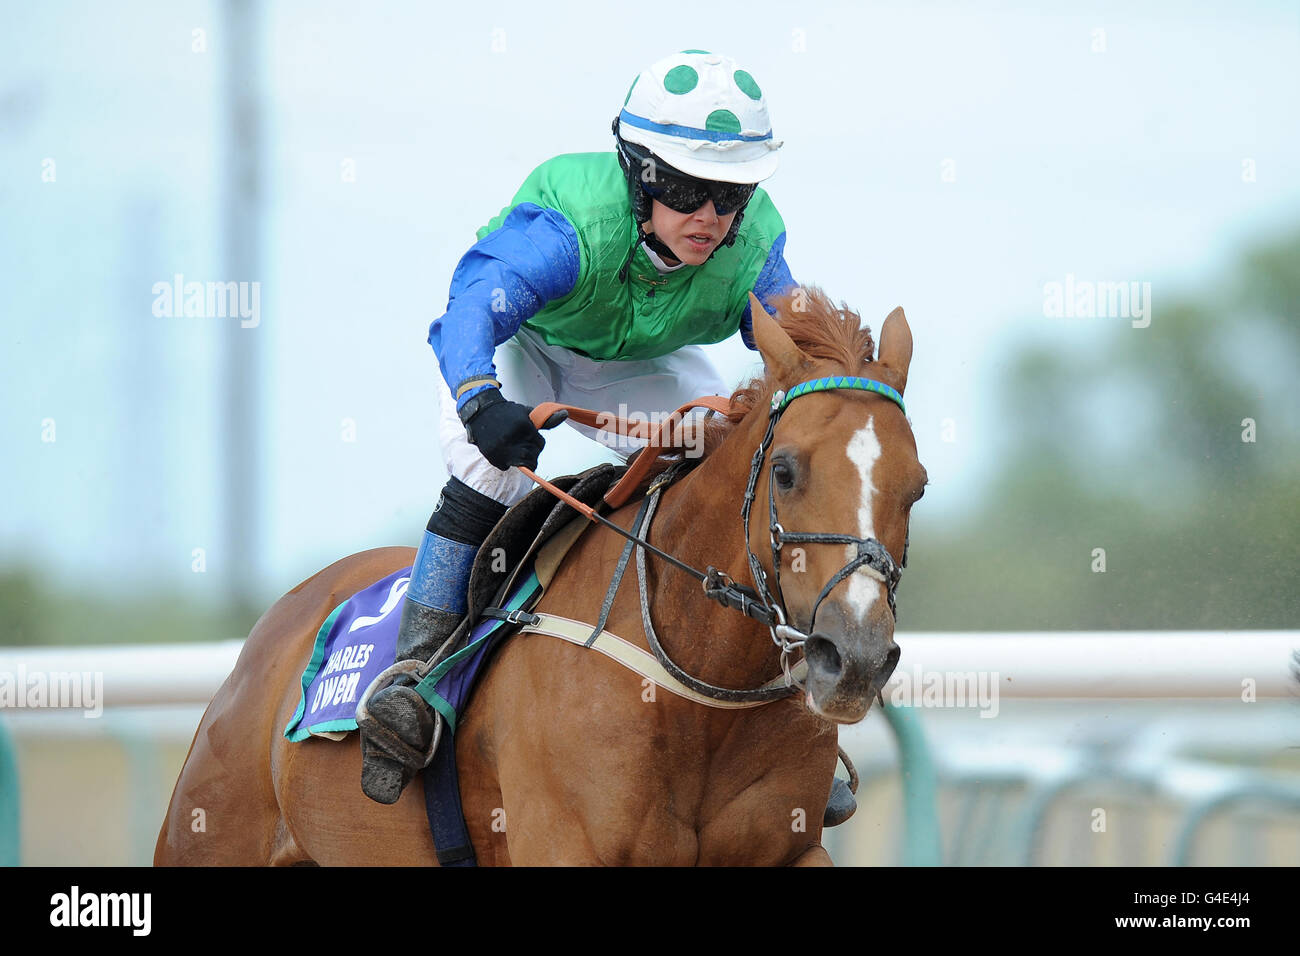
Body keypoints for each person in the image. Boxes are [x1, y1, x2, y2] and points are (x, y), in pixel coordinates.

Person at [360, 49, 803, 806]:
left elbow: (798, 344)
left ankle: (761, 706)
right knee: (487, 464)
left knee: (721, 448)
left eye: (730, 195)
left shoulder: (752, 244)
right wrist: (478, 399)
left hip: (630, 363)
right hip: (520, 339)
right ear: (639, 175)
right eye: (688, 189)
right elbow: (470, 309)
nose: (711, 217)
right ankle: (416, 677)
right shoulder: (573, 229)